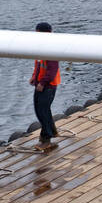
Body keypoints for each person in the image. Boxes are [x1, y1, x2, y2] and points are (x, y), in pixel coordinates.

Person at [30, 22, 61, 150]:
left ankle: (46, 139)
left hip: (48, 86)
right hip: (40, 84)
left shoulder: (51, 47)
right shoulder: (41, 46)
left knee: (43, 112)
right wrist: (34, 77)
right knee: (40, 110)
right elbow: (39, 64)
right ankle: (51, 132)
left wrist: (42, 83)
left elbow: (52, 70)